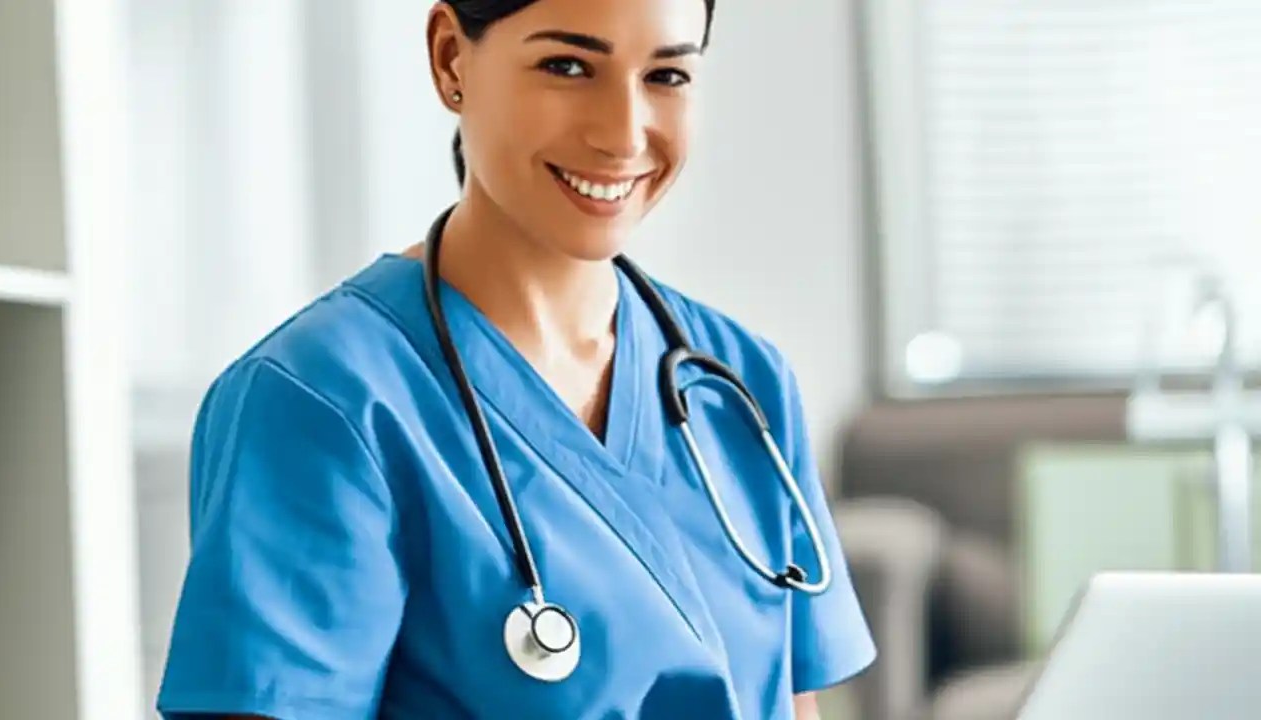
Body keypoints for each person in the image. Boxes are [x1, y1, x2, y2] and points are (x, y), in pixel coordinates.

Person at [156, 0, 876, 718]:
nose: (623, 134)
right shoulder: (321, 401)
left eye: (666, 76)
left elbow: (792, 702)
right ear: (450, 58)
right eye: (568, 66)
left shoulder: (742, 382)